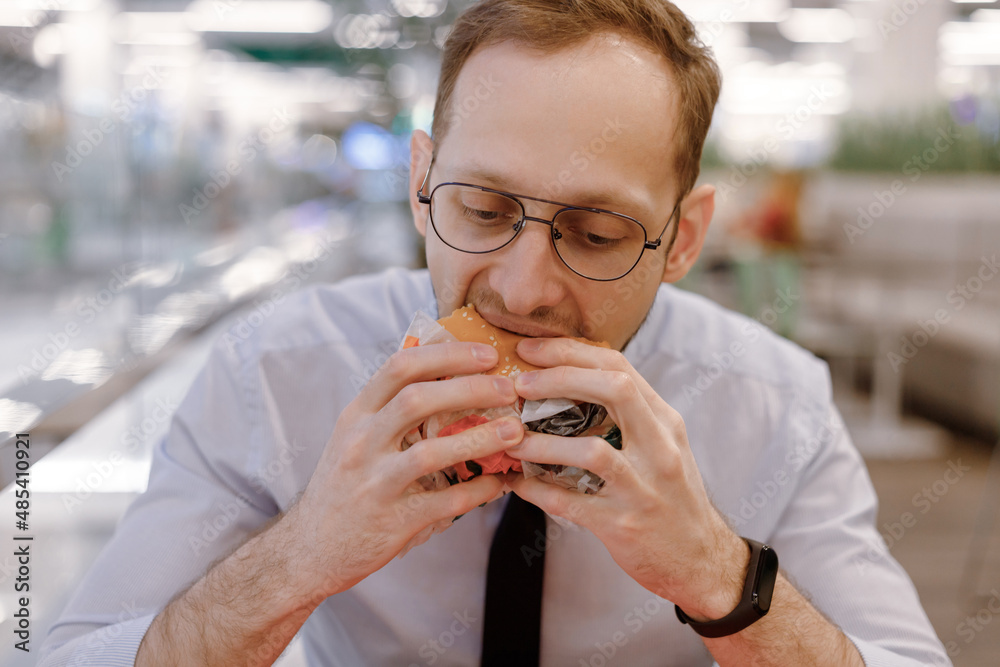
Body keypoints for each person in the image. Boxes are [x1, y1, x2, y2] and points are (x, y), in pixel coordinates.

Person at [39, 1, 950, 665]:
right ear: (420, 183)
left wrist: (721, 574)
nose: (523, 289)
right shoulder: (272, 373)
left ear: (684, 239)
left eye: (597, 234)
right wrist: (301, 554)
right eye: (482, 209)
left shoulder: (775, 404)